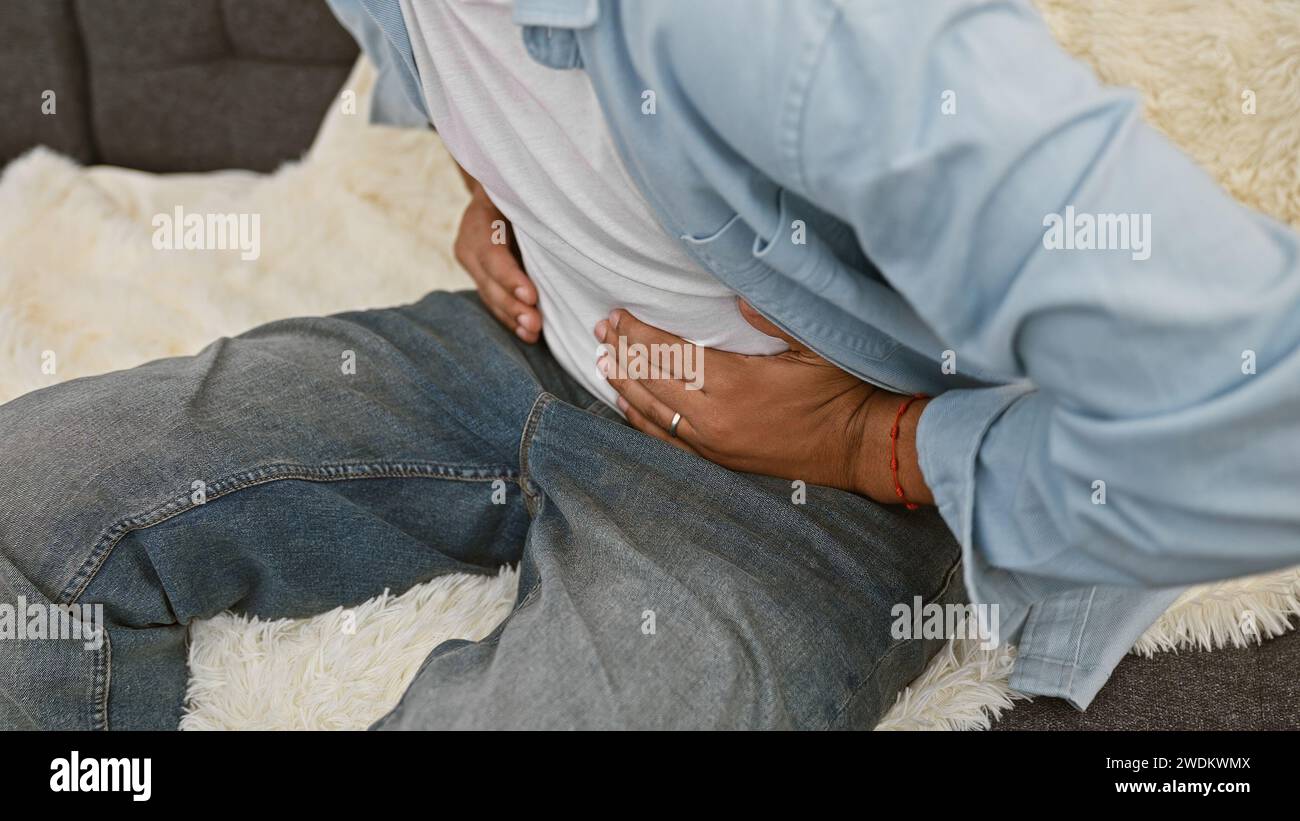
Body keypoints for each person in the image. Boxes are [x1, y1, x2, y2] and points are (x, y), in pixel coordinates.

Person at [2, 0, 1298, 730]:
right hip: (520, 351)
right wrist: (495, 190)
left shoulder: (793, 31)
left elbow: (1265, 408)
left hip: (792, 486)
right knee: (35, 501)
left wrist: (875, 445)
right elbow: (488, 77)